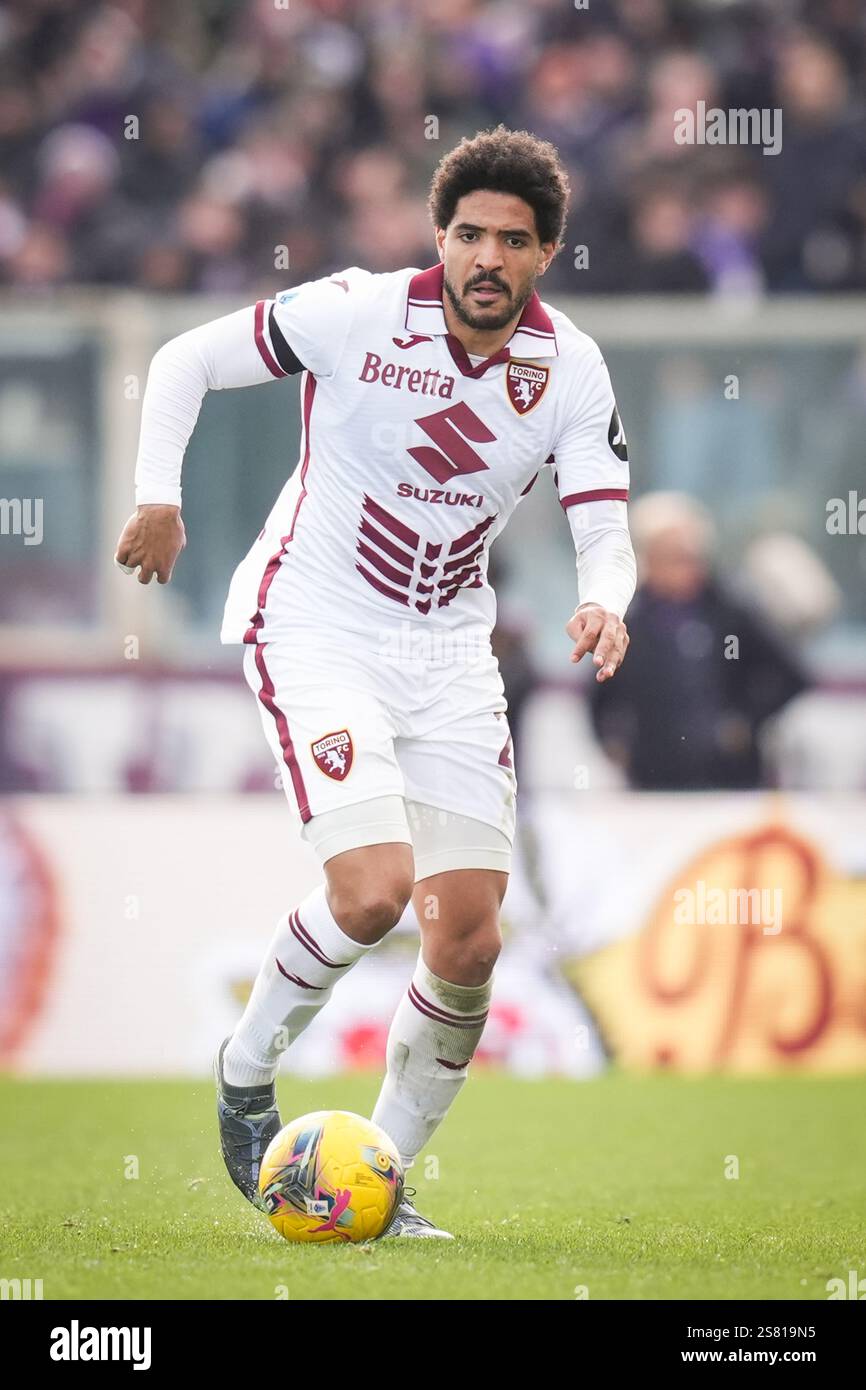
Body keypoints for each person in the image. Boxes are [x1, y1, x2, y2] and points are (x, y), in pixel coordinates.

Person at [115, 126, 636, 1238]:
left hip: (449, 653)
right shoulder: (357, 311)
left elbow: (604, 521)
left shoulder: (571, 369)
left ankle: (378, 1181)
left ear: (545, 252)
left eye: (512, 239)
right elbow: (183, 360)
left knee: (469, 941)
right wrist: (159, 490)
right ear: (438, 239)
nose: (486, 257)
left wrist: (608, 597)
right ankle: (245, 1073)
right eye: (467, 235)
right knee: (371, 893)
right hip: (314, 620)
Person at [589, 493, 808, 790]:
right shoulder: (631, 620)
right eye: (675, 558)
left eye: (693, 557)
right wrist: (614, 742)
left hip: (731, 778)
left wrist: (744, 722)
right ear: (649, 559)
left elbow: (791, 674)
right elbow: (600, 689)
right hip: (655, 780)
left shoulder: (732, 611)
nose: (688, 568)